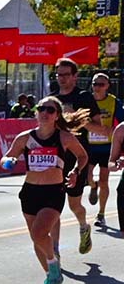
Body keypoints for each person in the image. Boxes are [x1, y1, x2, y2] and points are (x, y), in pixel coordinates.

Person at [0, 97, 89, 284]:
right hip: (30, 192)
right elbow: (6, 157)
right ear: (36, 112)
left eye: (50, 110)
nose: (45, 113)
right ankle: (51, 276)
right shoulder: (25, 137)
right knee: (36, 238)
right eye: (41, 109)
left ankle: (53, 264)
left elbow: (83, 156)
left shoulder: (64, 137)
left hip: (53, 192)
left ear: (57, 115)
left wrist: (75, 171)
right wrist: (9, 161)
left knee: (39, 233)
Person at [53, 57, 102, 255]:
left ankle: (83, 226)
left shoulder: (84, 98)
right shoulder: (52, 99)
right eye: (59, 74)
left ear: (75, 76)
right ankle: (54, 253)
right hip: (55, 158)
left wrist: (75, 118)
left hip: (78, 158)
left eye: (66, 75)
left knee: (74, 204)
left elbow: (101, 129)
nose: (62, 78)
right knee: (53, 207)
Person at [87, 73, 122, 227]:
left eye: (101, 84)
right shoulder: (87, 100)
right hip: (89, 145)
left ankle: (101, 214)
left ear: (107, 86)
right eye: (95, 84)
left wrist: (112, 130)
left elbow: (121, 123)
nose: (97, 87)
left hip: (107, 146)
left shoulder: (113, 102)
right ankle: (92, 186)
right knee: (87, 177)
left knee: (104, 180)